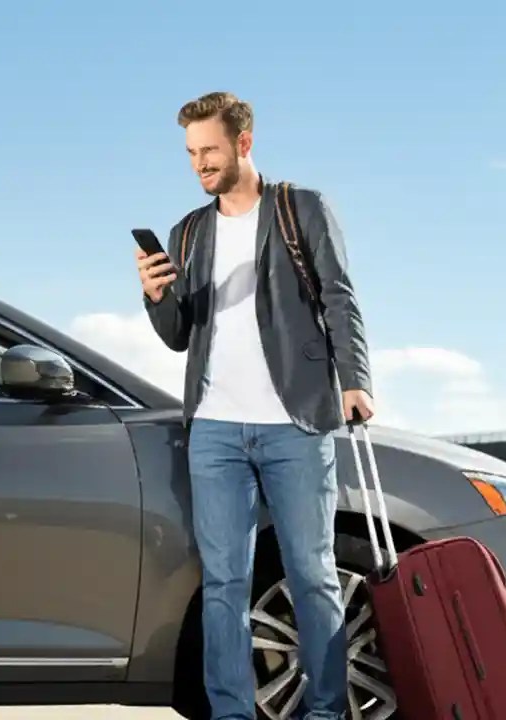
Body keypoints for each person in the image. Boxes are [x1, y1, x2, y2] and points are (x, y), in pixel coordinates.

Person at [136, 91, 374, 720]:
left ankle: (325, 710)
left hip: (295, 423)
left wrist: (355, 380)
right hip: (215, 428)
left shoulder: (301, 208)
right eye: (191, 153)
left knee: (312, 574)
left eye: (210, 149)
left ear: (243, 142)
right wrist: (156, 296)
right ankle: (231, 712)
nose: (199, 163)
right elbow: (179, 334)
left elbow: (339, 297)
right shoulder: (189, 231)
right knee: (224, 584)